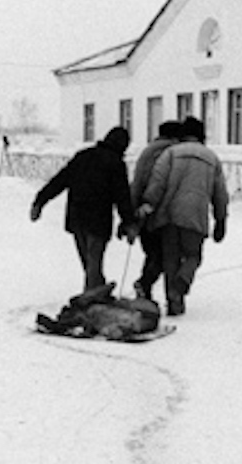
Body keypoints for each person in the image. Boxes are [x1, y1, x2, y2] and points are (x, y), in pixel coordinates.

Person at [138, 116, 229, 316]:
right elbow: (219, 192)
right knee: (193, 255)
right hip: (196, 215)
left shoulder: (170, 153)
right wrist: (221, 219)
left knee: (170, 259)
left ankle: (174, 302)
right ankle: (183, 282)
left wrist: (148, 204)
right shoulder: (211, 158)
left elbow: (157, 183)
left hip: (168, 215)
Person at [30, 126, 135, 292]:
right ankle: (92, 297)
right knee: (94, 261)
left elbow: (60, 180)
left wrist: (40, 201)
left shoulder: (83, 156)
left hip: (77, 217)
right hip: (98, 220)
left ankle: (96, 291)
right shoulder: (115, 163)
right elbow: (122, 197)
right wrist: (129, 223)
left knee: (89, 261)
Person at [127, 120, 184, 300]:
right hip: (162, 210)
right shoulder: (171, 153)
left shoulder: (147, 151)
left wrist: (132, 214)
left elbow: (136, 183)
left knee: (152, 252)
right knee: (163, 255)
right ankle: (145, 284)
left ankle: (145, 291)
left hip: (142, 210)